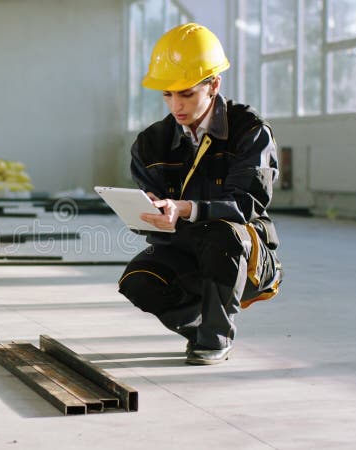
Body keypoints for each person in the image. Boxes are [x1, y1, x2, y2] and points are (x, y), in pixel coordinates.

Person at [118, 23, 283, 365]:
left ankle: (215, 337)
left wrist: (186, 207)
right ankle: (204, 325)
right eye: (167, 94)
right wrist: (149, 216)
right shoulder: (151, 143)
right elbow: (150, 212)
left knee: (223, 233)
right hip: (183, 247)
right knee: (138, 281)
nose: (176, 105)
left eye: (187, 93)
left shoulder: (249, 132)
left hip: (244, 254)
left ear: (214, 85)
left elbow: (246, 204)